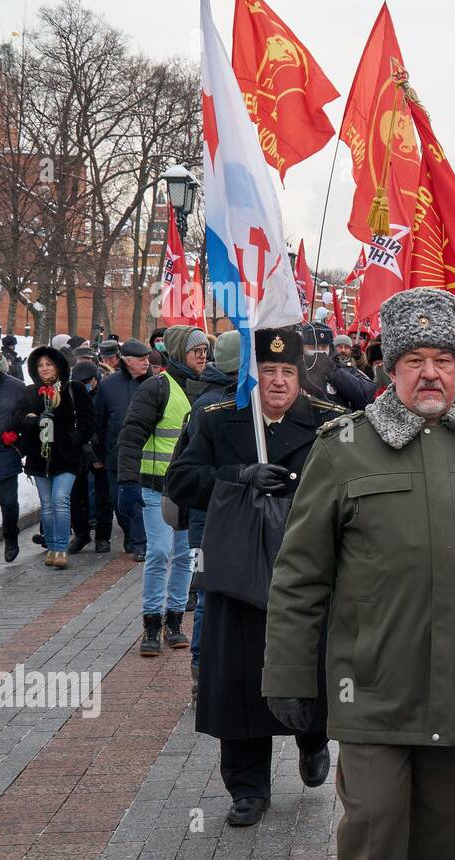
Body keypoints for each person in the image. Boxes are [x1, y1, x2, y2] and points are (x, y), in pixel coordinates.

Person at [263, 288, 455, 860]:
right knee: (374, 835)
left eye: (443, 360)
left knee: (443, 845)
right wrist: (289, 675)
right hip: (372, 691)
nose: (429, 374)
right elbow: (301, 575)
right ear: (390, 368)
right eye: (413, 361)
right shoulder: (344, 448)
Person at [168, 328, 345, 827]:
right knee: (239, 679)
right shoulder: (218, 421)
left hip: (307, 569)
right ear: (252, 375)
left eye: (288, 372)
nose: (278, 382)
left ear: (300, 375)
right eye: (268, 372)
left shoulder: (329, 424)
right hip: (239, 570)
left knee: (307, 667)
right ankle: (247, 787)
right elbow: (180, 480)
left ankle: (312, 740)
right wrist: (238, 476)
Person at [116, 325, 208, 657]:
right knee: (158, 553)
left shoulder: (206, 388)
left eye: (204, 350)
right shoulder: (156, 388)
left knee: (185, 557)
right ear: (178, 351)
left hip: (190, 491)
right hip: (156, 488)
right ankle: (151, 624)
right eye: (194, 350)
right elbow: (131, 435)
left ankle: (174, 621)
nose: (201, 355)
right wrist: (127, 481)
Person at [182, 329, 241, 699]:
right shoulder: (214, 405)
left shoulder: (213, 397)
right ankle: (203, 667)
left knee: (212, 592)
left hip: (214, 512)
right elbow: (190, 472)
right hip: (211, 513)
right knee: (208, 594)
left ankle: (209, 667)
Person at [16, 346, 94, 568]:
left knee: (60, 500)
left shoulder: (74, 389)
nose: (44, 369)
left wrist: (72, 440)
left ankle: (61, 548)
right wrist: (35, 420)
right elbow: (20, 419)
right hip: (39, 459)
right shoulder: (31, 392)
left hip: (66, 458)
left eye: (49, 364)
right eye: (40, 365)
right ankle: (51, 546)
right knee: (47, 504)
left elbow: (89, 421)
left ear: (58, 366)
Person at [98, 339, 152, 561]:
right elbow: (99, 421)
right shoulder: (108, 386)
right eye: (142, 359)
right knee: (119, 502)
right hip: (115, 455)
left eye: (147, 358)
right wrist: (98, 452)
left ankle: (141, 543)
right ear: (127, 361)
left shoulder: (155, 383)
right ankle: (131, 535)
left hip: (147, 455)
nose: (146, 362)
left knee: (141, 501)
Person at [68, 361, 111, 554]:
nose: (85, 385)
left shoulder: (104, 394)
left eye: (88, 381)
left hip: (100, 451)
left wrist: (97, 453)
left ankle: (103, 537)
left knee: (103, 497)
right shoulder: (70, 393)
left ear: (96, 378)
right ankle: (81, 533)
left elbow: (104, 425)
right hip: (78, 452)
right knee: (76, 496)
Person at [300, 321, 379, 412]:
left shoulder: (343, 369)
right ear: (302, 348)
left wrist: (334, 372)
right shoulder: (294, 369)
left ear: (330, 348)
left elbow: (367, 394)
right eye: (313, 347)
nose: (319, 352)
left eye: (323, 347)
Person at [0, 353, 25, 561]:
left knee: (8, 502)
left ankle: (11, 536)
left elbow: (27, 419)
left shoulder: (16, 387)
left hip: (6, 455)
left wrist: (18, 443)